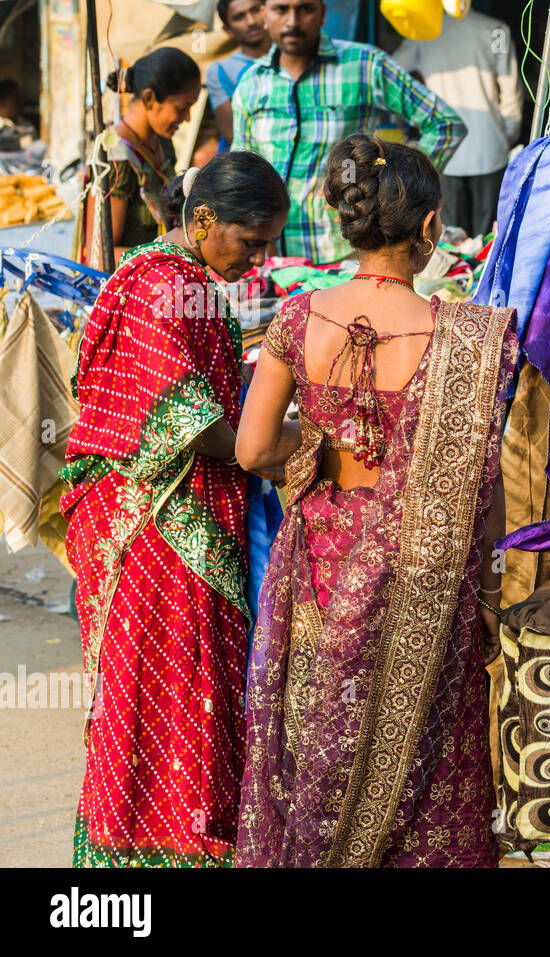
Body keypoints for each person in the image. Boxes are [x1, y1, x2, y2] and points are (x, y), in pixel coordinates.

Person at [234, 133, 516, 867]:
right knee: (426, 753)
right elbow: (484, 497)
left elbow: (253, 449)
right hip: (424, 571)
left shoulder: (297, 319)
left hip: (321, 561)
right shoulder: (469, 336)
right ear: (430, 229)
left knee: (316, 725)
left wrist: (322, 449)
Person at [62, 151, 289, 867]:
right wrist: (289, 444)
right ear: (202, 220)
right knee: (166, 695)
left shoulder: (180, 280)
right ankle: (154, 852)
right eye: (249, 242)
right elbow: (195, 424)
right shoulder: (163, 287)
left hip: (183, 517)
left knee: (194, 698)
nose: (257, 260)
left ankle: (189, 841)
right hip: (160, 525)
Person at [231, 0, 467, 263]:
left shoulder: (364, 64)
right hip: (273, 260)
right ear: (264, 15)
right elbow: (244, 172)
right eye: (281, 9)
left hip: (344, 254)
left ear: (322, 13)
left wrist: (393, 186)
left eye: (305, 9)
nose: (292, 21)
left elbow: (446, 125)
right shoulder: (252, 82)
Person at [391, 5, 522, 238]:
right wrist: (506, 137)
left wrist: (407, 119)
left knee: (449, 240)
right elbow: (511, 91)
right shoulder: (495, 31)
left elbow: (391, 72)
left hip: (445, 150)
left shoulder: (424, 35)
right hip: (489, 146)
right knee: (491, 240)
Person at [78, 48, 202, 268]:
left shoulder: (161, 142)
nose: (188, 118)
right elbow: (99, 257)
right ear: (149, 98)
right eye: (182, 108)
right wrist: (173, 254)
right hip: (125, 293)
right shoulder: (116, 161)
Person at [206, 0, 271, 149]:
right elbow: (231, 133)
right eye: (239, 17)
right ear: (227, 29)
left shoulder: (290, 58)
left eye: (255, 10)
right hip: (245, 163)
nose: (251, 21)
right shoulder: (220, 71)